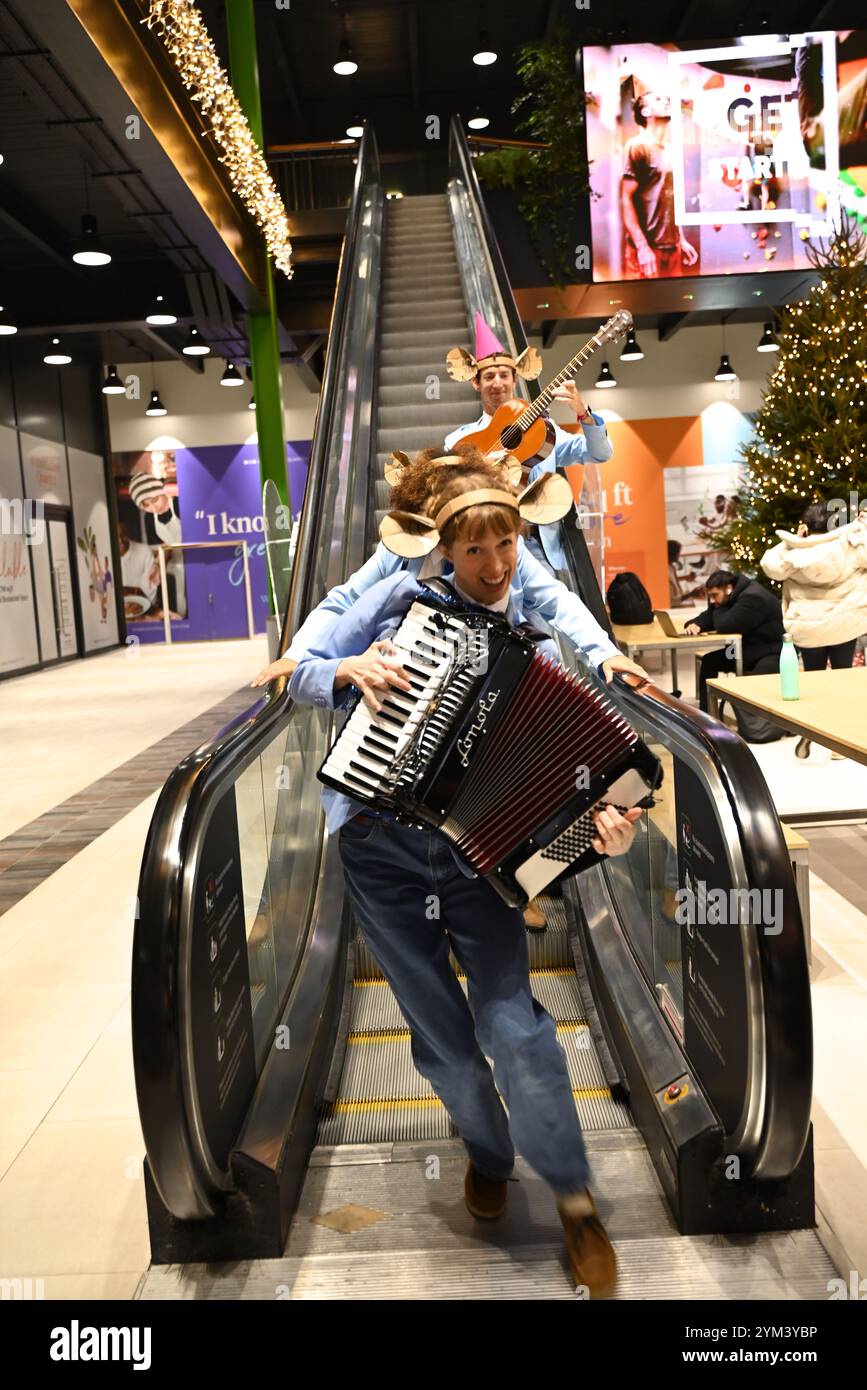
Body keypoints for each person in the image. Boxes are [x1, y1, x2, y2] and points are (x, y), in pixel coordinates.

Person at [287, 448, 646, 1296]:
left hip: (472, 858)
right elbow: (295, 672)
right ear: (442, 547)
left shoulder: (530, 639)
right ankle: (487, 1153)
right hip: (377, 845)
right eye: (474, 550)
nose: (492, 567)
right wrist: (344, 670)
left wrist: (601, 831)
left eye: (505, 546)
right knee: (444, 1046)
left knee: (515, 1027)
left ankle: (572, 1197)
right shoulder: (391, 599)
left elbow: (572, 776)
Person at [443, 314, 614, 570]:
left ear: (515, 379)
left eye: (504, 375)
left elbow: (599, 453)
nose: (498, 383)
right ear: (476, 383)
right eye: (489, 376)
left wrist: (583, 413)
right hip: (485, 547)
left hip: (538, 550)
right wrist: (480, 466)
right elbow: (449, 493)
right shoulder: (460, 440)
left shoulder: (544, 431)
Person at [760, 501, 867, 672]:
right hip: (844, 623)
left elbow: (769, 565)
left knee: (813, 676)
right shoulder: (850, 546)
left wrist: (794, 540)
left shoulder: (795, 552)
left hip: (807, 627)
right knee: (843, 674)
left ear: (806, 526)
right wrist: (863, 527)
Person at [622, 92, 699, 280]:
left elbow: (670, 198)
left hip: (672, 250)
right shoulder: (636, 146)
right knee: (641, 305)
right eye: (658, 99)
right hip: (646, 252)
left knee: (674, 306)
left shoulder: (672, 150)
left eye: (665, 98)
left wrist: (680, 240)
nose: (666, 101)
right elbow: (625, 198)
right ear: (646, 111)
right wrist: (642, 247)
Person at [686, 568, 784, 714]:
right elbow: (711, 614)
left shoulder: (752, 597)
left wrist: (718, 608)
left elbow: (725, 626)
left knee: (758, 682)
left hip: (769, 651)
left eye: (715, 595)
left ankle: (758, 725)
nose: (713, 600)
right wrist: (695, 624)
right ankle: (706, 714)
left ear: (728, 589)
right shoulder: (731, 597)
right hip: (745, 649)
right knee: (709, 661)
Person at [128, 469, 187, 618]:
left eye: (155, 500)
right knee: (180, 603)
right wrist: (158, 567)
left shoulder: (181, 505)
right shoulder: (149, 519)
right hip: (176, 565)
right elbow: (162, 548)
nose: (154, 508)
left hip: (197, 559)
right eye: (146, 506)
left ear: (161, 492)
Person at [668, 539, 705, 607]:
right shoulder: (666, 571)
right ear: (671, 553)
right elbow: (672, 601)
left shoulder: (671, 567)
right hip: (674, 606)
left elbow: (672, 581)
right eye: (678, 553)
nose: (679, 555)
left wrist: (685, 577)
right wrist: (691, 594)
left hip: (679, 599)